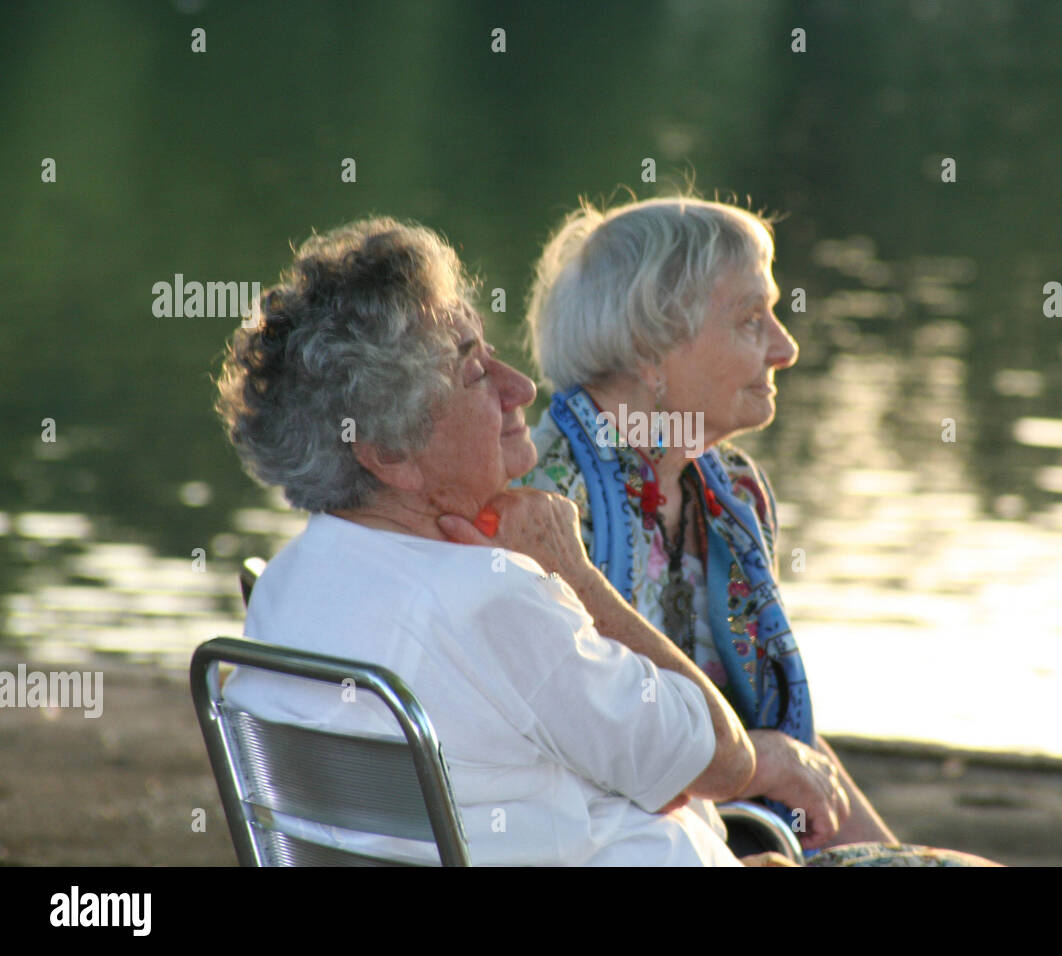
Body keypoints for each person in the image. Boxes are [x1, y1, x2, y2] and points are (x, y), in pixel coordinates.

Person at [213, 216, 769, 866]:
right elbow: (727, 761)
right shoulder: (490, 596)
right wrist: (576, 576)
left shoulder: (285, 584)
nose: (522, 387)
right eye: (476, 372)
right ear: (390, 450)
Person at [517, 195, 997, 865]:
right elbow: (576, 742)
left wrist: (894, 854)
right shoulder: (546, 506)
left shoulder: (729, 492)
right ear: (649, 349)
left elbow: (782, 735)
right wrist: (761, 771)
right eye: (750, 320)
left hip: (729, 835)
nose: (786, 347)